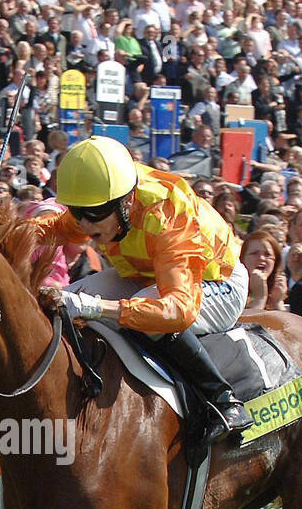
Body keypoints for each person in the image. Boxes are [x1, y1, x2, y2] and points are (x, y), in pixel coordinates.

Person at [35, 136, 253, 442]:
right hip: (148, 275)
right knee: (65, 297)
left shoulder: (166, 213)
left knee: (136, 312)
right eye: (77, 211)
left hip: (216, 282)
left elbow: (178, 309)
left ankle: (223, 400)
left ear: (125, 201)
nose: (84, 224)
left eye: (93, 214)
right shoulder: (101, 201)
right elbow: (57, 228)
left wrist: (96, 308)